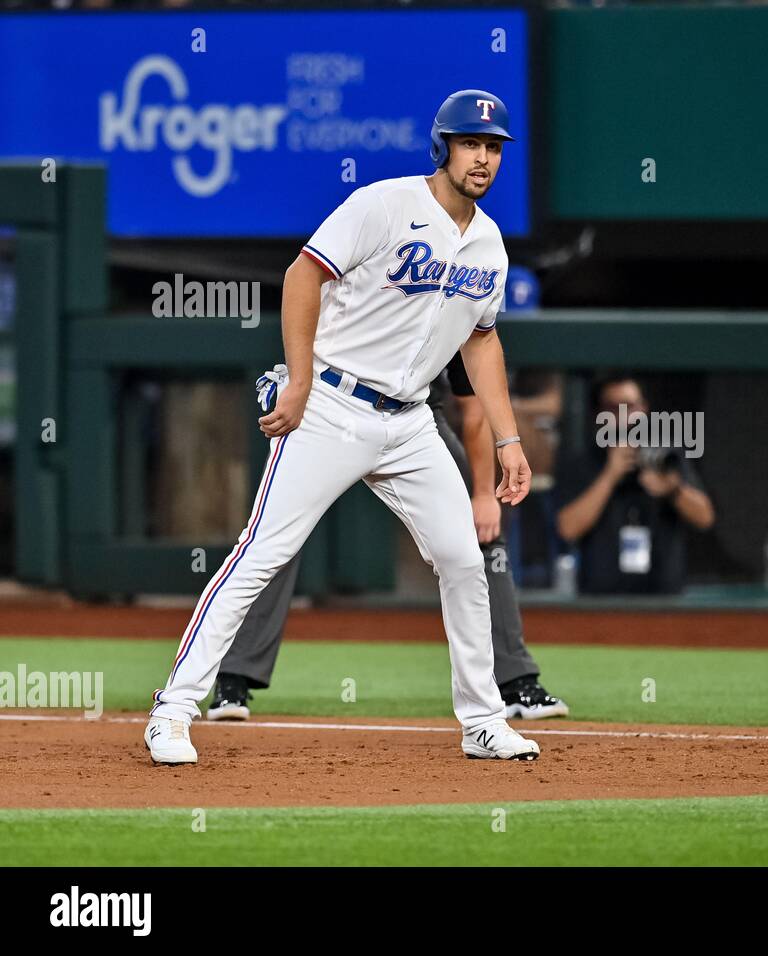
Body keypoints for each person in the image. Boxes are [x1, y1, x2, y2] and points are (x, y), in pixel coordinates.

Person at [144, 89, 543, 764]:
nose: (483, 158)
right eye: (471, 143)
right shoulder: (384, 204)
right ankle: (173, 711)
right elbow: (303, 275)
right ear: (441, 146)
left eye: (494, 147)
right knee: (259, 556)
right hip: (333, 404)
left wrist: (509, 438)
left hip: (411, 419)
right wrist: (299, 380)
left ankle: (482, 720)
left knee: (462, 559)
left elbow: (482, 341)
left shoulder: (489, 244)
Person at [206, 353, 569, 724]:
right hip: (332, 409)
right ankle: (233, 679)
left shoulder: (458, 297)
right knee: (276, 538)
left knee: (480, 533)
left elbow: (473, 407)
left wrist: (481, 494)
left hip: (415, 420)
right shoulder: (357, 294)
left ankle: (517, 683)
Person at [555, 376, 714, 594]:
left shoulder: (664, 457)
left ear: (644, 408)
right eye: (612, 408)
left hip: (663, 599)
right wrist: (609, 477)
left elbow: (705, 518)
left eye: (630, 407)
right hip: (601, 603)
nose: (623, 417)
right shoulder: (584, 462)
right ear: (597, 414)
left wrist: (674, 490)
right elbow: (567, 529)